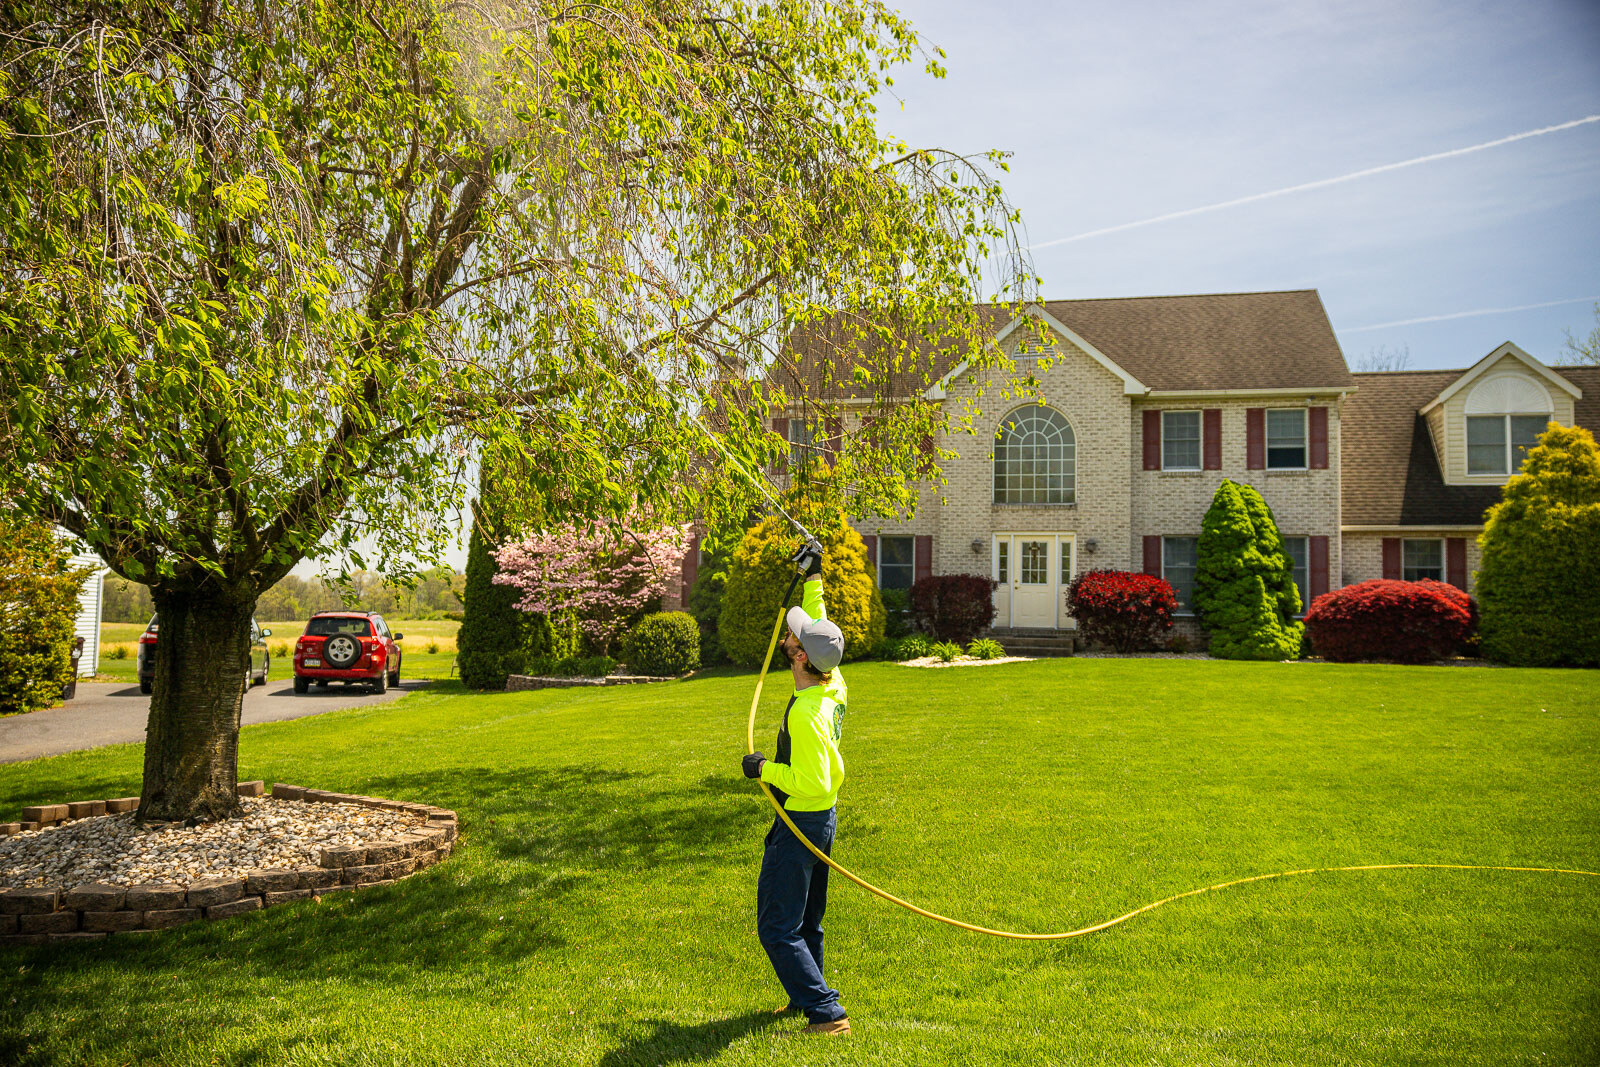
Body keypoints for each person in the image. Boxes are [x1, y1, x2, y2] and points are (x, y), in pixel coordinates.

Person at [741, 538, 851, 1037]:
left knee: (777, 926)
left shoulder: (807, 715)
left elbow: (811, 779)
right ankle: (804, 994)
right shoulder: (832, 682)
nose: (789, 637)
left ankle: (826, 1012)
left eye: (795, 638)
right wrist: (814, 578)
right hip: (821, 819)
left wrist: (763, 768)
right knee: (807, 920)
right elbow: (819, 623)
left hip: (802, 818)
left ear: (800, 656)